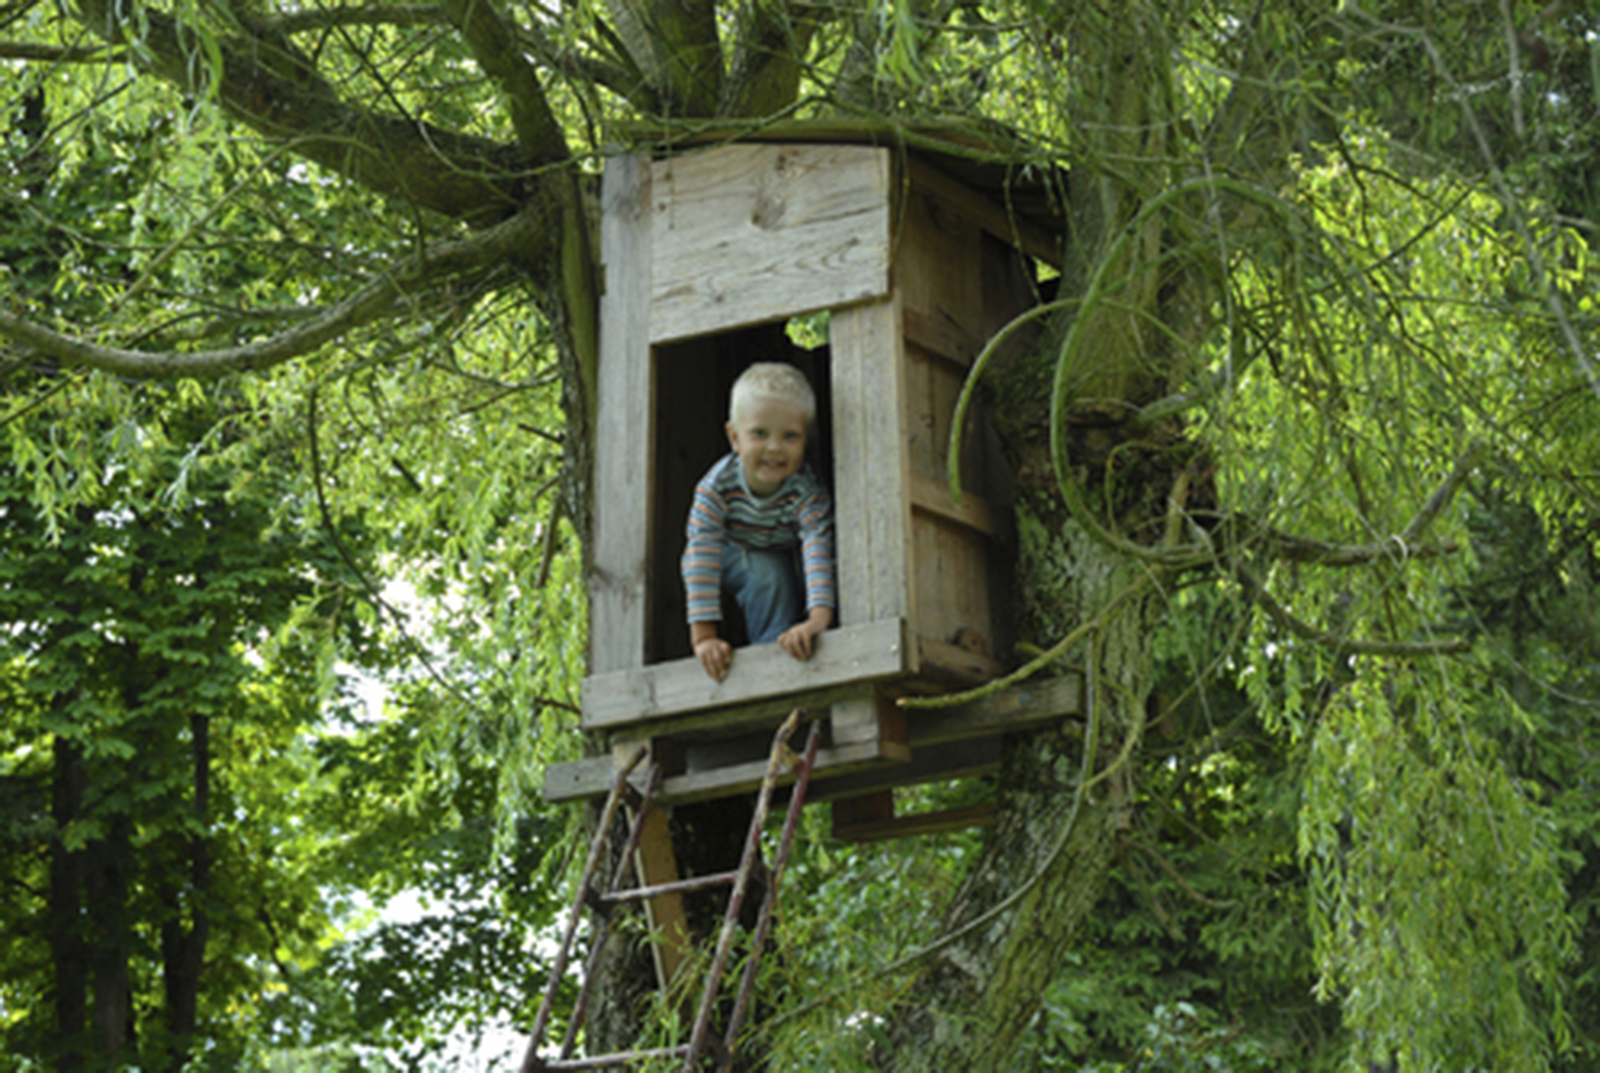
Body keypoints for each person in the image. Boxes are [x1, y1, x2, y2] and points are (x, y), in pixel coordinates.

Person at [682, 362, 836, 682]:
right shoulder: (715, 489)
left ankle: (802, 641)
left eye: (790, 435)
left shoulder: (806, 492)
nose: (774, 447)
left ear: (806, 440)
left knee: (800, 565)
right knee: (767, 573)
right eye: (760, 433)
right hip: (723, 551)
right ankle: (776, 663)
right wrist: (704, 637)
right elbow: (701, 558)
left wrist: (818, 620)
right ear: (734, 437)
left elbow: (817, 547)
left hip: (780, 547)